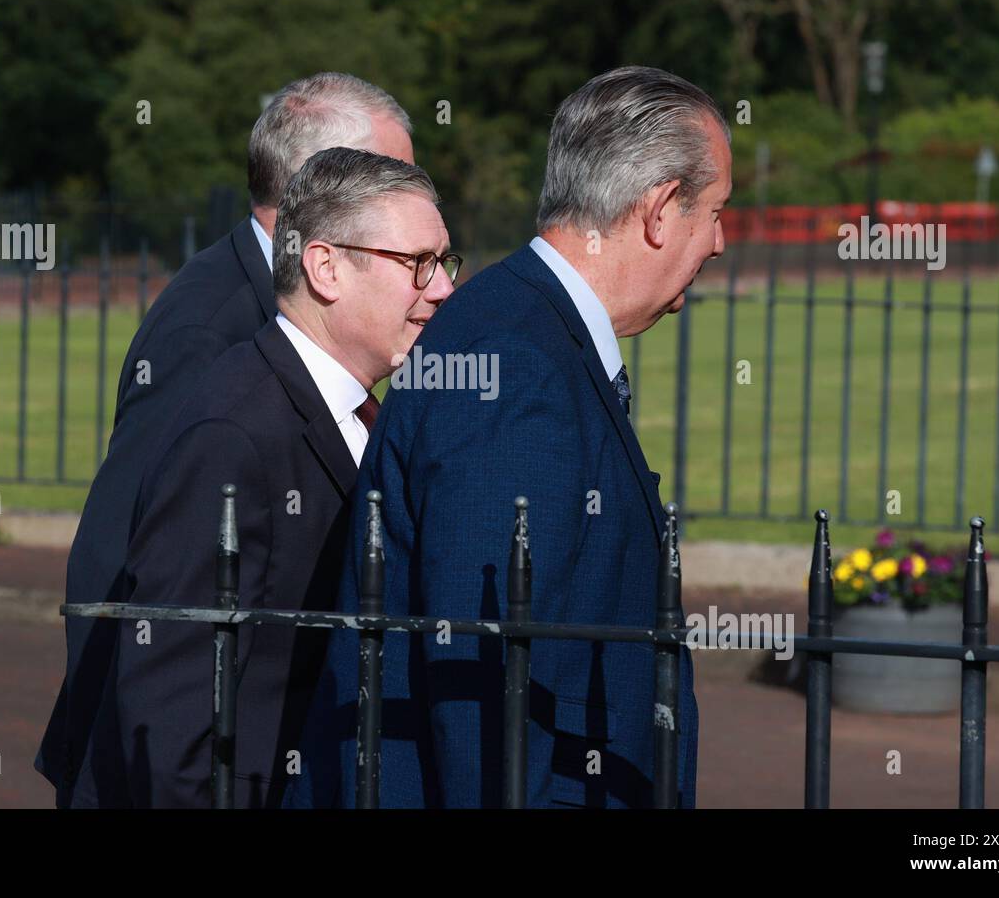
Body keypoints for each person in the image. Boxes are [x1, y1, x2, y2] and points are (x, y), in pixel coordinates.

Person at [287, 66, 731, 808]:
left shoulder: (523, 327)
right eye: (715, 211)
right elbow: (483, 673)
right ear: (659, 210)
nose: (718, 241)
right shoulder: (518, 362)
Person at [36, 74, 415, 807]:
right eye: (387, 176)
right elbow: (122, 559)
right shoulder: (215, 329)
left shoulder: (268, 297)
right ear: (321, 188)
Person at [114, 147, 458, 807]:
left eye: (444, 262)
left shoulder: (363, 407)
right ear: (325, 266)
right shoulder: (232, 432)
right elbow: (169, 703)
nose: (441, 287)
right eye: (418, 262)